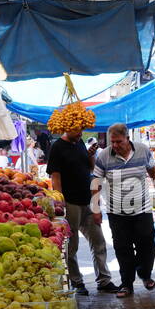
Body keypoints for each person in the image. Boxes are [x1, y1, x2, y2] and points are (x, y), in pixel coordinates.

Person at [91, 124, 155, 297]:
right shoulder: (104, 156)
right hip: (116, 211)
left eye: (119, 141)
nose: (115, 145)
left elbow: (152, 171)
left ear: (127, 138)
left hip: (142, 209)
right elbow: (96, 183)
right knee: (122, 248)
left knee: (147, 242)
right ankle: (126, 284)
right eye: (112, 142)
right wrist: (95, 209)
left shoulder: (142, 150)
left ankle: (145, 274)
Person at [48, 124, 116, 296]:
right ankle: (77, 282)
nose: (80, 133)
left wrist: (90, 155)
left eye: (81, 130)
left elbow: (90, 169)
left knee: (99, 241)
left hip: (88, 201)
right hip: (70, 203)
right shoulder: (57, 147)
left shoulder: (79, 144)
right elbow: (55, 177)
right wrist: (60, 202)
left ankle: (104, 280)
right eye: (77, 130)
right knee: (72, 246)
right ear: (67, 128)